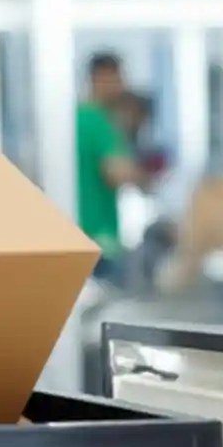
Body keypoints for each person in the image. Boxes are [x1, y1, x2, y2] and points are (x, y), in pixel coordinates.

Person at [76, 52, 146, 279]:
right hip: (100, 238)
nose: (122, 86)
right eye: (118, 78)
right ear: (102, 77)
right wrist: (145, 176)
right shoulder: (100, 122)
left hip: (77, 235)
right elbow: (118, 173)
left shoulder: (74, 118)